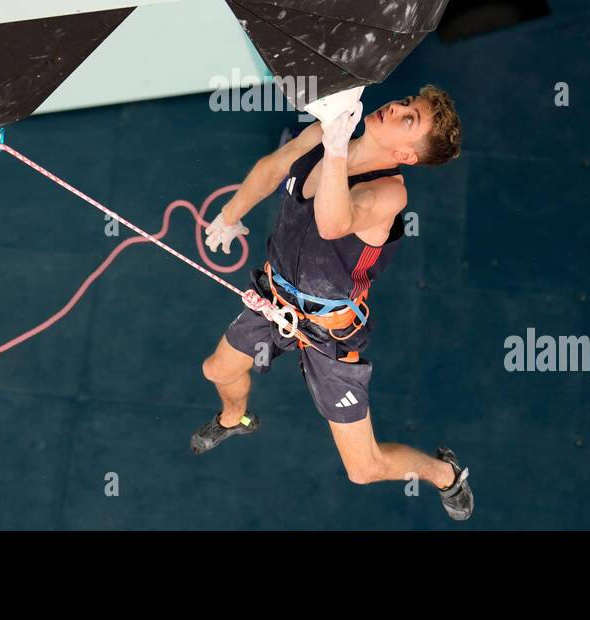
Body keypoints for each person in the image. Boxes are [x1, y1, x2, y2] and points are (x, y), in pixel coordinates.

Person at [196, 86, 474, 521]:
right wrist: (231, 215)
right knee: (217, 369)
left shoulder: (389, 194)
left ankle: (445, 473)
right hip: (274, 299)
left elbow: (334, 222)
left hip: (329, 332)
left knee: (363, 470)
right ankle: (236, 420)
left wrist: (338, 145)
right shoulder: (328, 132)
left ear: (407, 155)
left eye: (408, 119)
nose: (395, 107)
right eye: (404, 103)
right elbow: (272, 168)